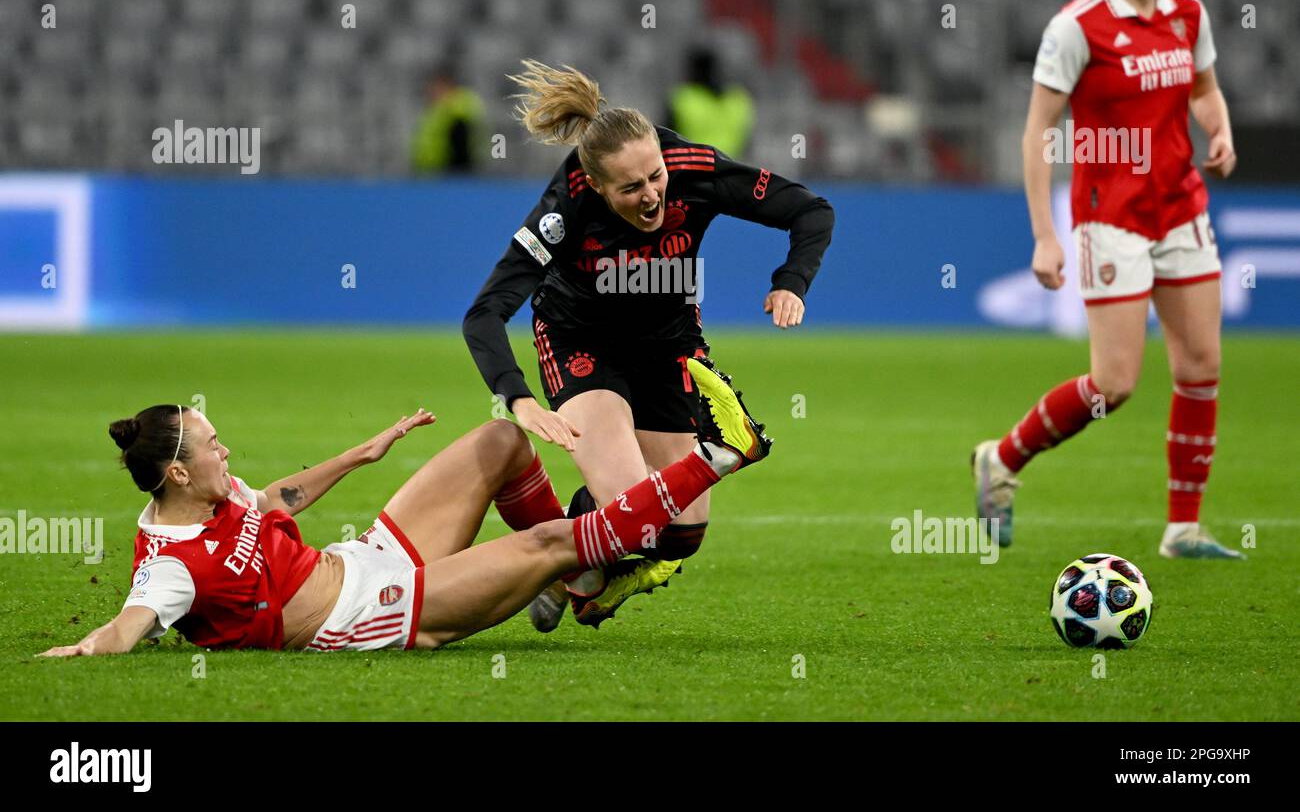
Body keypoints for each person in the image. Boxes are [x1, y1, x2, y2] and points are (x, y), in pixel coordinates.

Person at [37, 359, 771, 658]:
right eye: (211, 446)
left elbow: (274, 500)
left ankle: (571, 588)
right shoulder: (170, 569)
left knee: (501, 440)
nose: (225, 454)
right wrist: (82, 648)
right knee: (554, 537)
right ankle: (721, 456)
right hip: (370, 615)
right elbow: (127, 628)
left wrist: (365, 452)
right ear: (175, 471)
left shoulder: (214, 494)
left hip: (364, 560)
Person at [463, 60, 832, 629]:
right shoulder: (566, 206)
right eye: (631, 187)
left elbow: (810, 210)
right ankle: (556, 562)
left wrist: (791, 281)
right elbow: (485, 313)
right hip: (580, 342)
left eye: (655, 175)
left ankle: (577, 550)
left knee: (681, 535)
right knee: (640, 518)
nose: (653, 195)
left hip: (667, 343)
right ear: (598, 185)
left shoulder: (693, 168)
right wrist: (519, 399)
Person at [972, 0, 1241, 559]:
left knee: (1202, 366)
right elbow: (1038, 130)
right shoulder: (1077, 26)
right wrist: (1043, 231)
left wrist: (1220, 127)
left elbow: (1204, 88)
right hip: (1110, 218)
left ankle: (1183, 528)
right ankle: (1001, 459)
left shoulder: (1188, 13)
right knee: (1114, 385)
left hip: (1181, 208)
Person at [667, 46, 755, 160]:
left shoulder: (682, 99)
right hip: (732, 169)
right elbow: (747, 143)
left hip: (693, 170)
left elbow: (664, 141)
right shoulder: (739, 100)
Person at [410, 66, 485, 174]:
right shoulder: (437, 109)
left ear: (447, 85)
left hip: (447, 175)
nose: (430, 91)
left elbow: (463, 147)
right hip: (431, 174)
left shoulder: (458, 110)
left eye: (435, 86)